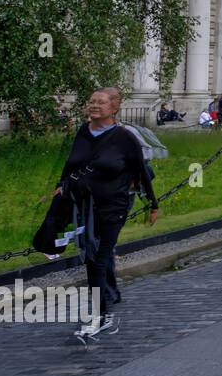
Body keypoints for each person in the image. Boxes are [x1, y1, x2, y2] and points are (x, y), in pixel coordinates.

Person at [56, 88, 160, 341]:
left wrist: (152, 203)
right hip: (86, 204)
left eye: (100, 102)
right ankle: (106, 299)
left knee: (98, 258)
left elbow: (142, 172)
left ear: (114, 107)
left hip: (115, 205)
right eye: (91, 101)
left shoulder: (125, 137)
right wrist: (61, 186)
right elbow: (72, 163)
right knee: (91, 255)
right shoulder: (83, 132)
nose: (94, 105)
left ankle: (100, 315)